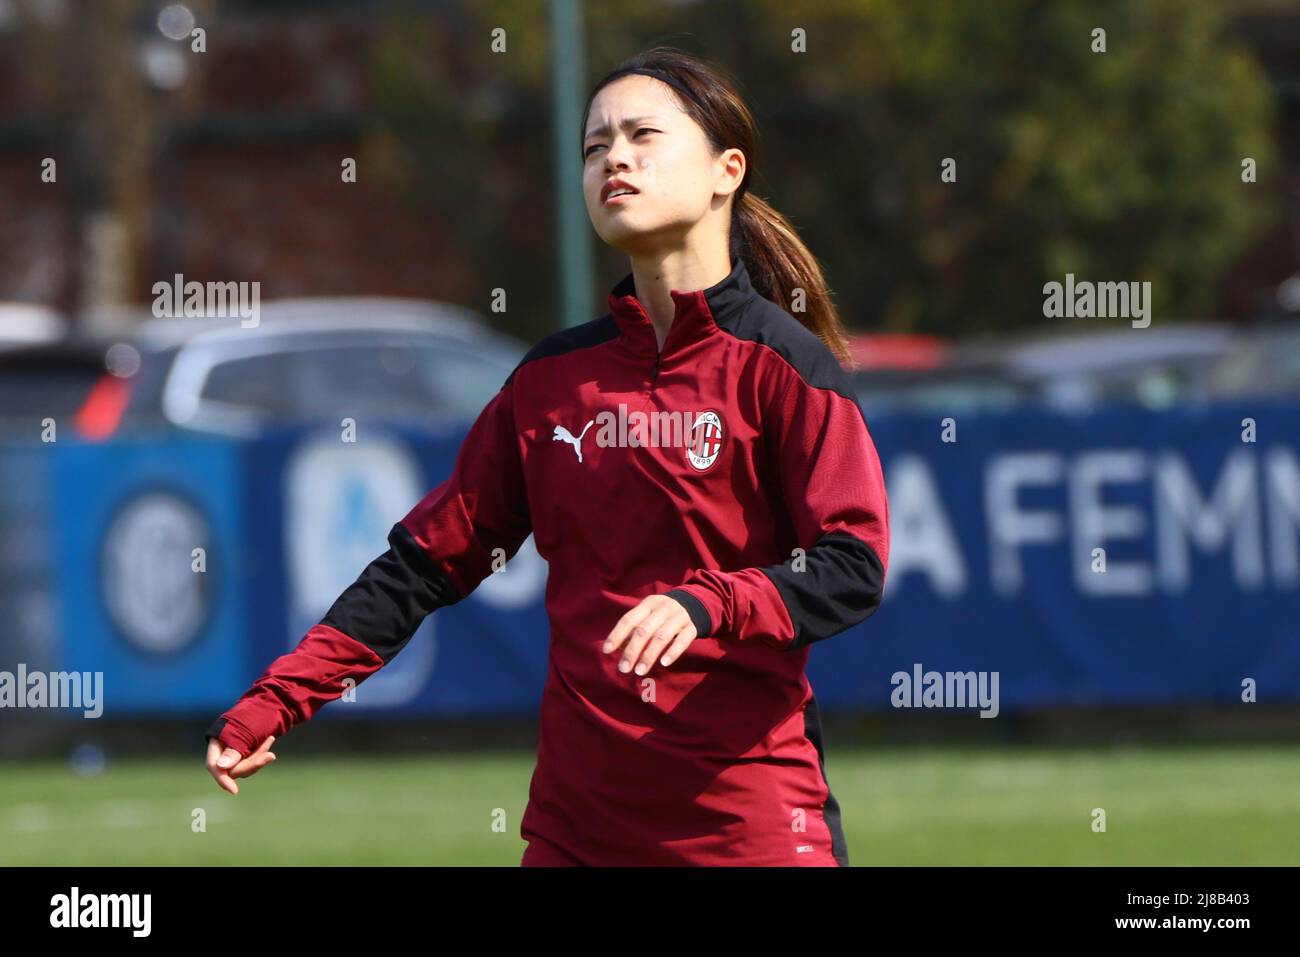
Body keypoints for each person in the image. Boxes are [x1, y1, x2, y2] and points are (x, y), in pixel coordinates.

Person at [204, 46, 890, 867]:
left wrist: (710, 602)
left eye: (642, 136)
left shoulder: (785, 366)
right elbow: (423, 563)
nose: (615, 159)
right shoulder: (552, 380)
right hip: (578, 833)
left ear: (725, 170)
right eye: (595, 147)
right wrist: (279, 698)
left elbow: (853, 563)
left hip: (749, 829)